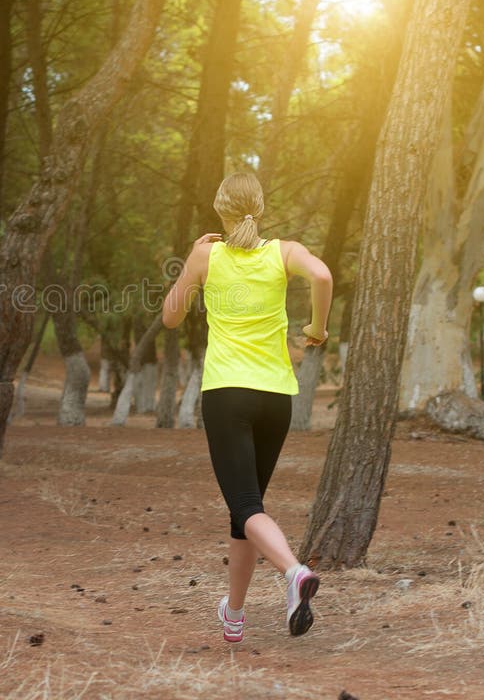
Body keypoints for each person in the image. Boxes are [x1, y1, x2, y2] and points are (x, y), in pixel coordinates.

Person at [161, 171, 332, 641]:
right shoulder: (285, 252)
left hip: (227, 394)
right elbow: (322, 274)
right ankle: (234, 614)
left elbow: (170, 317)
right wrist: (317, 328)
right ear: (261, 207)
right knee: (245, 513)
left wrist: (191, 265)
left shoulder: (206, 254)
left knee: (245, 505)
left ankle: (294, 573)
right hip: (277, 398)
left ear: (221, 211)